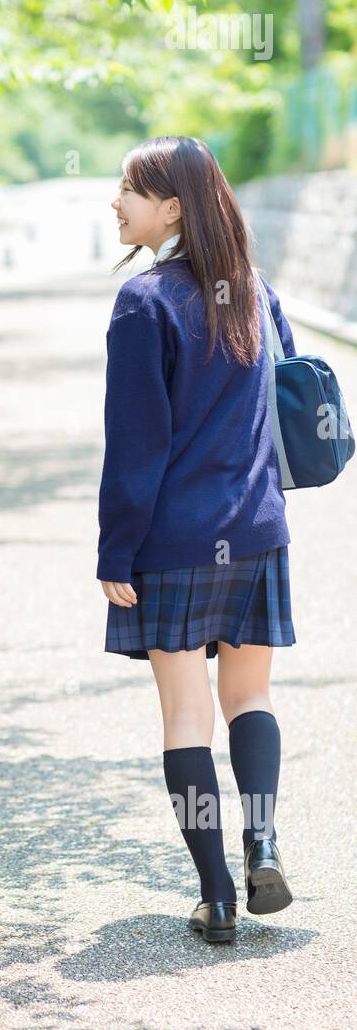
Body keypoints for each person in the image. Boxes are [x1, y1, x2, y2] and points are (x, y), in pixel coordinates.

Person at [98, 134, 295, 945]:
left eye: (129, 191)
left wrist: (115, 550)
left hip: (174, 543)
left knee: (186, 718)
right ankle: (265, 843)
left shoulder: (144, 303)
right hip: (256, 532)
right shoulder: (253, 288)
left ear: (171, 207)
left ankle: (216, 895)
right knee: (249, 699)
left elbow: (136, 445)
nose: (115, 202)